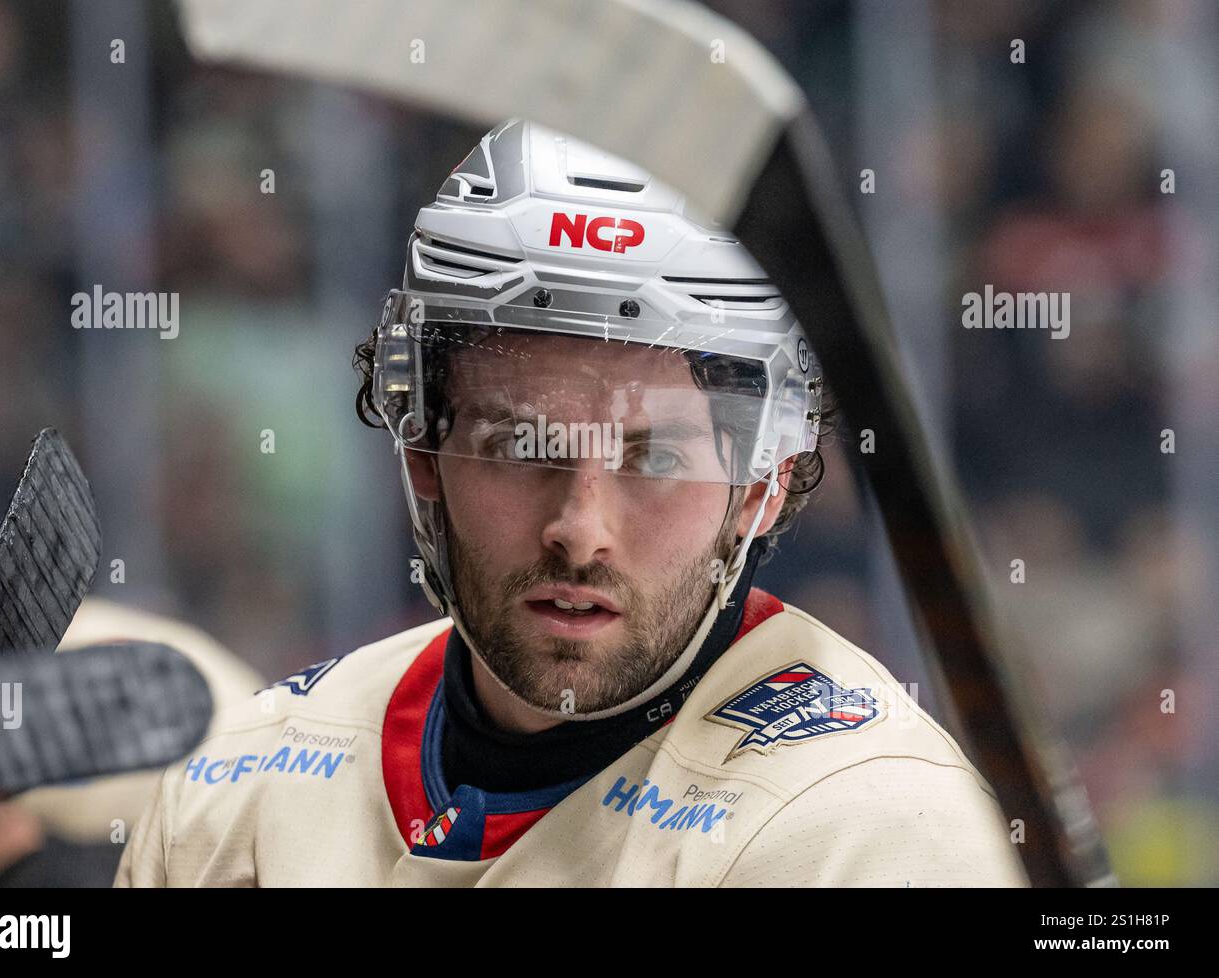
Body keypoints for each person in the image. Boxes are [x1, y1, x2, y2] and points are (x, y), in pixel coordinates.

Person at [116, 119, 1026, 886]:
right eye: (521, 445)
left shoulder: (866, 837)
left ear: (762, 481)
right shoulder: (233, 791)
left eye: (655, 458)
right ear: (424, 451)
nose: (580, 533)